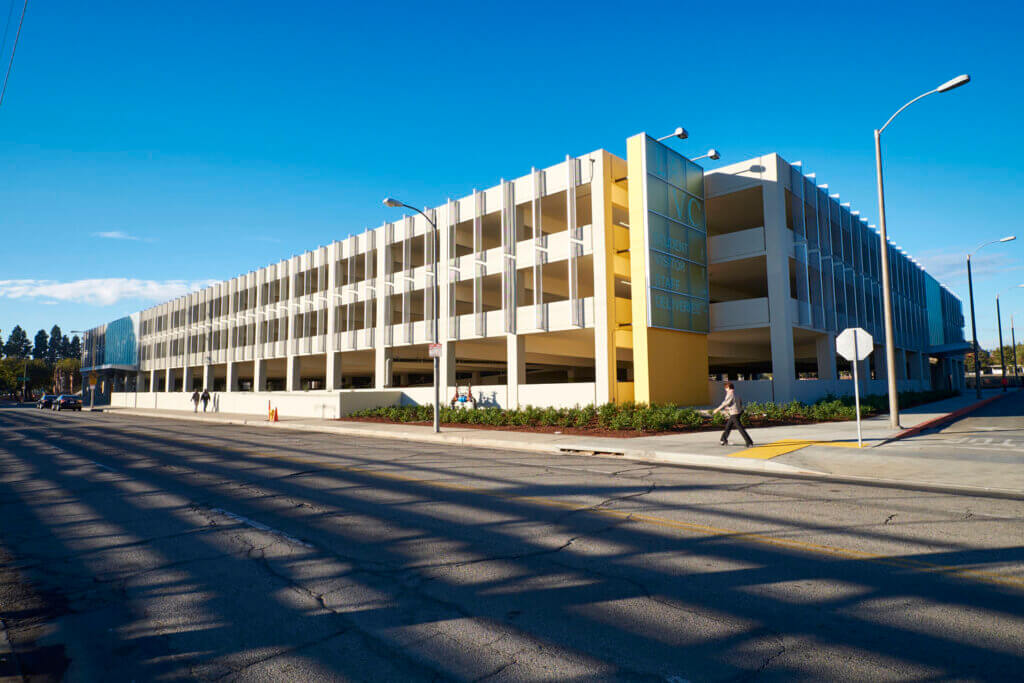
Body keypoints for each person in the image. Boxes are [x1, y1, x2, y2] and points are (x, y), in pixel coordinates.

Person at [712, 382, 753, 447]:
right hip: (738, 412)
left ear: (728, 388)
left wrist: (717, 409)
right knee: (728, 426)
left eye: (725, 388)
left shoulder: (730, 394)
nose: (725, 390)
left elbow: (725, 403)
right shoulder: (736, 394)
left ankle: (749, 442)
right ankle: (723, 439)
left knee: (740, 428)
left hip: (734, 413)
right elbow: (738, 403)